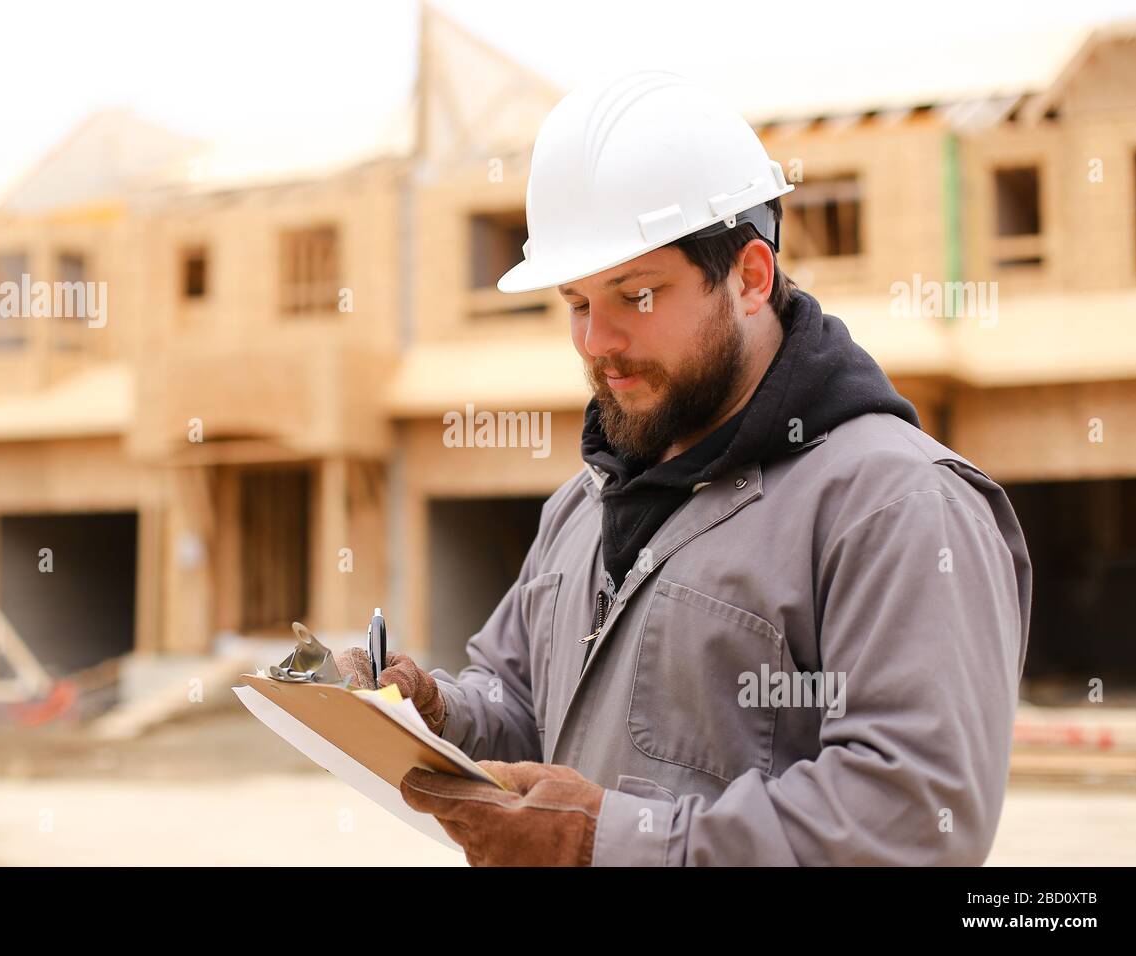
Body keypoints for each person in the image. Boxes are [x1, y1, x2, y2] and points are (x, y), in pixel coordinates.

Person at [337, 70, 1031, 867]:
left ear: (750, 278)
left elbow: (910, 822)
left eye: (634, 295)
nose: (597, 341)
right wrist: (436, 714)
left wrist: (608, 842)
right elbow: (525, 707)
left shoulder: (897, 505)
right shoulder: (583, 505)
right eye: (576, 302)